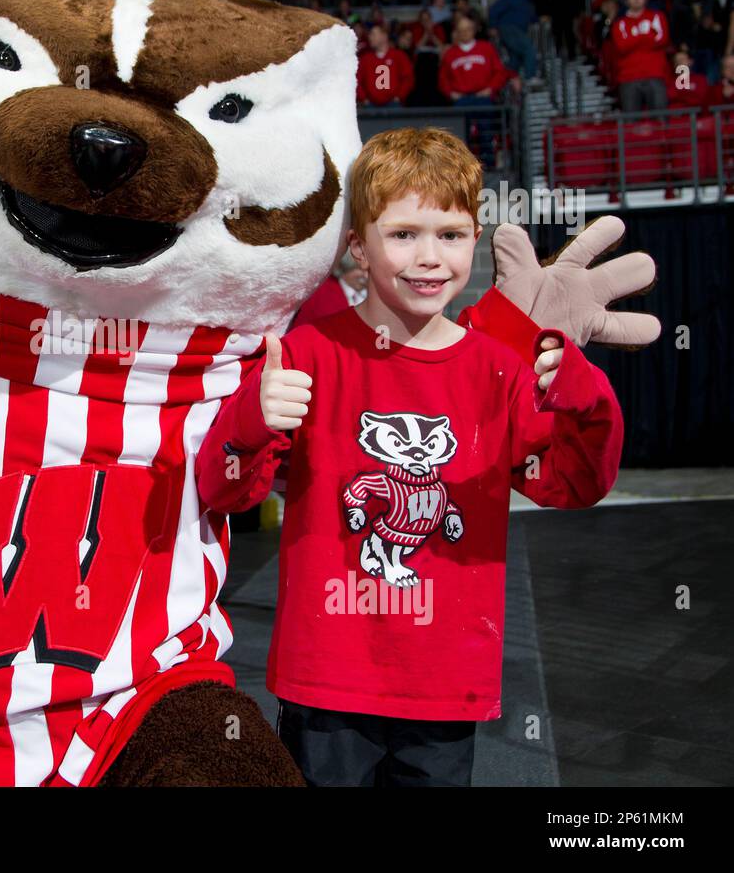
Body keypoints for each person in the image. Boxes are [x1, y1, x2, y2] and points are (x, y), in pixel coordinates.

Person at [195, 127, 623, 787]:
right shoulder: (307, 355)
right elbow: (228, 493)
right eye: (404, 235)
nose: (429, 257)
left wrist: (588, 402)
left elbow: (569, 484)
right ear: (358, 249)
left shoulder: (502, 372)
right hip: (327, 681)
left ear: (474, 241)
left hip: (445, 681)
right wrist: (252, 419)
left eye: (449, 235)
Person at [616, 0, 670, 113]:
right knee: (631, 122)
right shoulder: (620, 23)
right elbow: (621, 47)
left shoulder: (657, 16)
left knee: (660, 118)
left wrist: (634, 37)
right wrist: (645, 35)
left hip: (655, 74)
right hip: (629, 77)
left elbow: (662, 40)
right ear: (626, 0)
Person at [671, 0, 722, 82]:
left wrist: (713, 26)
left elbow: (721, 25)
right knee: (687, 86)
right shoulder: (678, 4)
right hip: (688, 53)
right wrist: (681, 45)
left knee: (710, 85)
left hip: (710, 50)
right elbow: (674, 28)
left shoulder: (712, 0)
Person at [488, 0, 541, 83]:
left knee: (515, 58)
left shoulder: (528, 3)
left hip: (519, 31)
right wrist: (492, 26)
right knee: (529, 49)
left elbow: (532, 18)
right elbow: (494, 10)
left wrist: (540, 19)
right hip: (509, 29)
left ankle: (506, 80)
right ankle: (530, 77)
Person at [356, 24, 413, 107]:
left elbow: (408, 78)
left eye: (373, 34)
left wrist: (399, 97)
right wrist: (364, 99)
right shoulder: (365, 59)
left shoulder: (399, 56)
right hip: (371, 105)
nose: (370, 37)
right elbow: (357, 80)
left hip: (394, 105)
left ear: (384, 36)